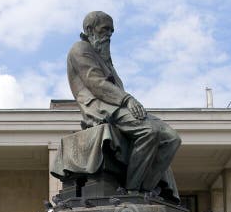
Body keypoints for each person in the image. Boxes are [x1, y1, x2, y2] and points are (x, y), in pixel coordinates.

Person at [67, 11, 180, 201]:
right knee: (149, 131)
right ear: (89, 29)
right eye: (105, 29)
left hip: (116, 106)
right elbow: (96, 83)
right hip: (101, 107)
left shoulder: (103, 56)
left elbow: (116, 85)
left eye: (111, 31)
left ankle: (146, 189)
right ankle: (133, 190)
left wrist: (107, 61)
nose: (109, 34)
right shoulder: (80, 48)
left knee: (172, 139)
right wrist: (127, 100)